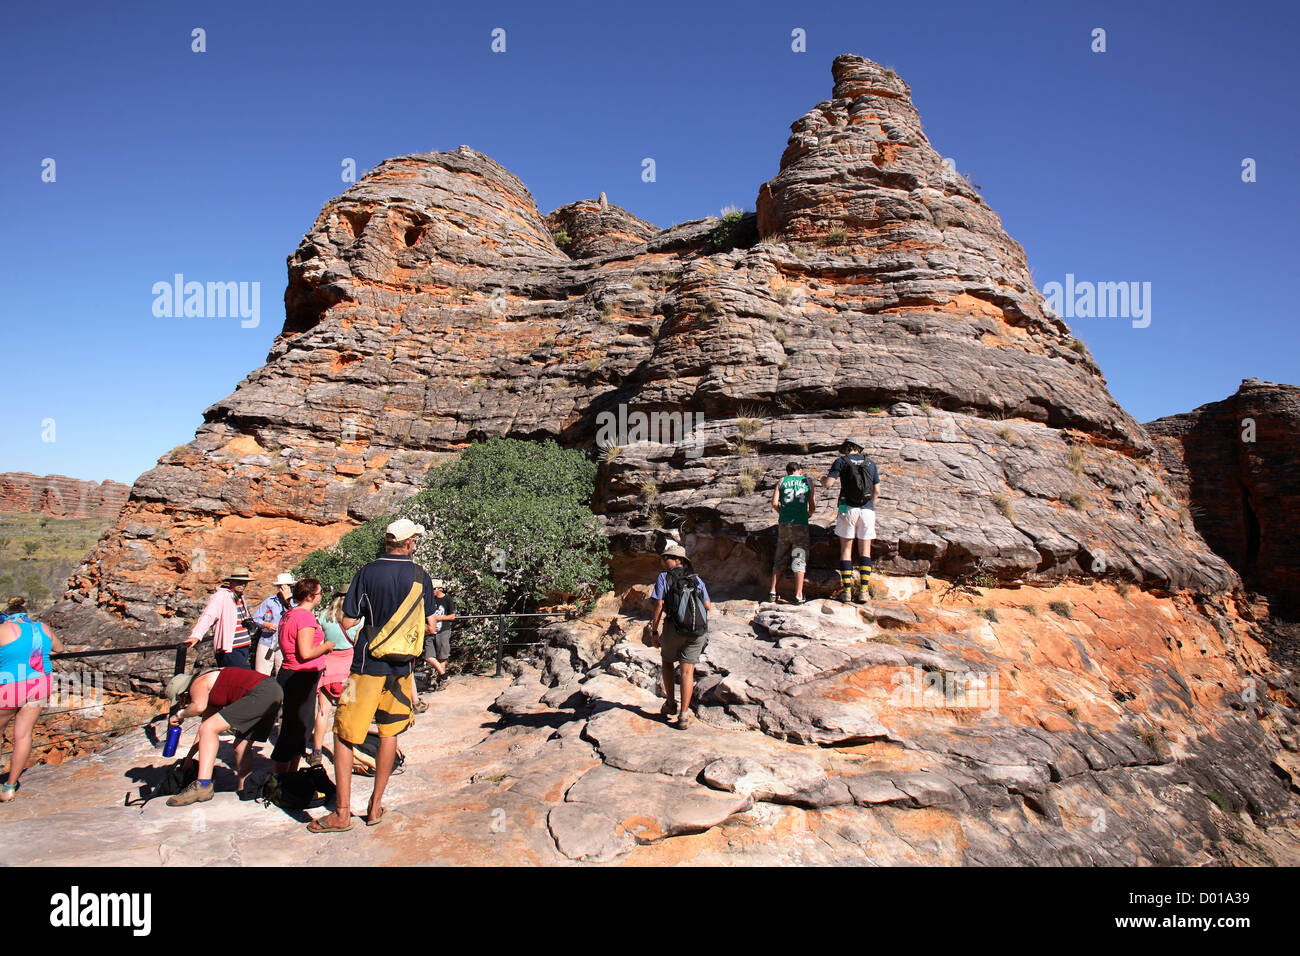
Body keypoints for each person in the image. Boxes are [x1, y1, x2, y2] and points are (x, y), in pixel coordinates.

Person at [308, 518, 439, 833]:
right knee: (389, 733)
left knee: (344, 734)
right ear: (409, 544)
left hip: (366, 667)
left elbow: (350, 618)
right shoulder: (422, 577)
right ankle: (375, 806)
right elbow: (432, 626)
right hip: (402, 670)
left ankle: (341, 813)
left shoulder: (366, 573)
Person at [162, 666, 284, 806]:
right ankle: (246, 789)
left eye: (182, 701)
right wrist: (189, 758)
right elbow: (204, 731)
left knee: (210, 729)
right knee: (241, 747)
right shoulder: (210, 691)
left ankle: (203, 785)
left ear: (183, 692)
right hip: (273, 692)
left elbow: (199, 708)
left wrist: (180, 715)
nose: (184, 704)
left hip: (261, 692)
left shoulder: (198, 683)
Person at [0, 597, 64, 802]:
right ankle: (9, 787)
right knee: (23, 736)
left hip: (9, 686)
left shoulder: (4, 630)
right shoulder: (42, 628)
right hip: (39, 684)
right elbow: (60, 649)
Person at [648, 542, 713, 730]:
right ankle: (684, 715)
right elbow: (707, 605)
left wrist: (654, 631)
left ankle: (670, 703)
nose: (663, 561)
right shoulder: (696, 579)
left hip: (673, 628)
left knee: (667, 662)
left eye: (666, 557)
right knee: (687, 671)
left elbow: (659, 605)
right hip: (697, 631)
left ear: (677, 559)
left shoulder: (664, 578)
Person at [271, 578, 333, 775]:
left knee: (297, 727)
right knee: (295, 728)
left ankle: (290, 774)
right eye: (319, 592)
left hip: (290, 673)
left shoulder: (288, 614)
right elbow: (305, 653)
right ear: (309, 596)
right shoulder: (304, 617)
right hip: (301, 676)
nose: (321, 595)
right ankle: (283, 778)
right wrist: (327, 646)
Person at [821, 437, 881, 603]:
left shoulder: (841, 462)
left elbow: (829, 484)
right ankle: (863, 591)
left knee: (846, 550)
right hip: (867, 510)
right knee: (865, 551)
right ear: (859, 449)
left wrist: (822, 481)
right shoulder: (871, 463)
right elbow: (877, 491)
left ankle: (847, 591)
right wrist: (870, 506)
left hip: (846, 508)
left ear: (846, 448)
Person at [311, 594, 362, 767]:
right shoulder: (358, 620)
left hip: (328, 667)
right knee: (346, 712)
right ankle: (345, 751)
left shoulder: (324, 616)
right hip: (348, 671)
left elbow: (317, 639)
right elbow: (357, 644)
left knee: (323, 711)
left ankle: (316, 751)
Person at [185, 569, 257, 668]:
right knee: (245, 677)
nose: (243, 585)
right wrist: (196, 635)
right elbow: (208, 615)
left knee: (233, 681)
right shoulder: (221, 596)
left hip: (243, 647)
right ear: (231, 583)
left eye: (245, 582)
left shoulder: (239, 597)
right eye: (239, 582)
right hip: (230, 649)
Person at [769, 462, 816, 604]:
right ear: (799, 470)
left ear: (787, 471)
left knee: (780, 557)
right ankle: (798, 594)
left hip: (784, 523)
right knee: (799, 558)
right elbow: (812, 504)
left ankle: (772, 591)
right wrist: (808, 514)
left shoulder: (782, 481)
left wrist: (781, 512)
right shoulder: (807, 481)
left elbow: (774, 503)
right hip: (800, 523)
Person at [414, 579, 457, 713]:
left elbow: (452, 616)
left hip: (443, 630)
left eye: (433, 589)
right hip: (430, 631)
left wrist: (438, 619)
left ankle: (441, 681)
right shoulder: (428, 600)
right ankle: (444, 675)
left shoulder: (447, 599)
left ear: (439, 589)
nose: (431, 592)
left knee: (442, 656)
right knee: (428, 656)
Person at [252, 573, 296, 675]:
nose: (284, 588)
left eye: (287, 586)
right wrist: (266, 624)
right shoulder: (269, 602)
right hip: (267, 641)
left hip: (285, 644)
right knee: (261, 674)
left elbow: (295, 617)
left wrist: (287, 601)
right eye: (282, 586)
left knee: (282, 673)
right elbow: (256, 618)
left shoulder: (295, 603)